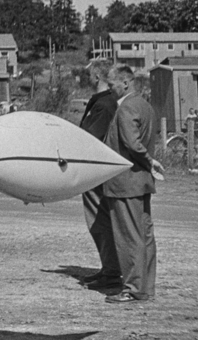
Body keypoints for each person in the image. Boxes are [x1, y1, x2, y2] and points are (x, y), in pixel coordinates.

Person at [101, 65, 163, 304]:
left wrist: (149, 161)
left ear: (125, 83)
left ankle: (133, 289)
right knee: (145, 235)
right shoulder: (145, 105)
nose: (109, 88)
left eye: (112, 84)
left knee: (129, 237)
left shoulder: (126, 107)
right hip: (140, 182)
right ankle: (145, 288)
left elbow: (132, 144)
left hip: (125, 182)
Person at [77, 60, 119, 290]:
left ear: (96, 77)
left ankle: (112, 271)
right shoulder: (104, 102)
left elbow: (91, 138)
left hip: (95, 171)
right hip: (96, 170)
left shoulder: (104, 104)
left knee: (99, 220)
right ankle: (109, 268)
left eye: (88, 75)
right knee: (99, 220)